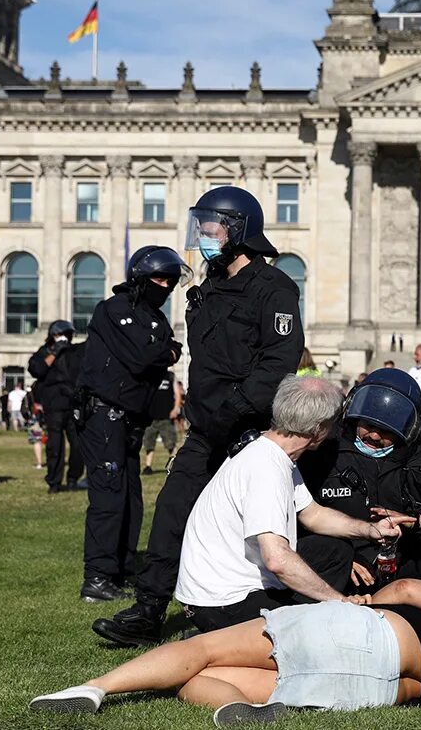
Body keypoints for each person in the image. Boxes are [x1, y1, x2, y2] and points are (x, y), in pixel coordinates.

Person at [96, 186, 303, 647]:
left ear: (238, 230)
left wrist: (237, 411)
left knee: (262, 528)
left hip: (253, 430)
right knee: (173, 511)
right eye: (202, 227)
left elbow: (277, 362)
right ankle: (149, 610)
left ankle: (286, 609)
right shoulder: (206, 285)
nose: (204, 236)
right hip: (207, 429)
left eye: (212, 228)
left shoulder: (275, 288)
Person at [30, 578, 421, 722]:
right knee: (192, 681)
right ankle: (239, 708)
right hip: (373, 690)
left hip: (364, 631)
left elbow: (403, 587)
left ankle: (95, 688)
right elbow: (406, 688)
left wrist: (365, 599)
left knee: (204, 648)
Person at [174, 375, 402, 631]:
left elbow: (313, 515)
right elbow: (277, 559)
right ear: (318, 430)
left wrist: (371, 530)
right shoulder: (265, 467)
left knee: (334, 551)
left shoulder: (276, 453)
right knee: (319, 631)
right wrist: (340, 602)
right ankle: (214, 635)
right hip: (221, 602)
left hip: (230, 583)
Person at [299, 368, 421, 629]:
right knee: (329, 552)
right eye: (367, 425)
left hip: (404, 556)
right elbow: (299, 513)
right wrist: (344, 558)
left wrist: (420, 521)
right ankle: (315, 631)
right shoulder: (325, 448)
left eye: (385, 430)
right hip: (349, 567)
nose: (374, 435)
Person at [74, 246, 187, 603]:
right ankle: (97, 577)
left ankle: (120, 568)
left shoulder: (152, 316)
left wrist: (165, 350)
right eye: (159, 278)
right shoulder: (114, 309)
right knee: (108, 496)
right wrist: (164, 351)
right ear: (140, 276)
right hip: (104, 415)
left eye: (170, 280)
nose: (166, 285)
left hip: (129, 419)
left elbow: (170, 349)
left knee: (130, 499)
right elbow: (146, 356)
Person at [29, 319, 87, 494]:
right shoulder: (44, 352)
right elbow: (37, 370)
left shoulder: (76, 352)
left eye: (67, 336)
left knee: (78, 445)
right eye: (61, 335)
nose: (65, 339)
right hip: (53, 405)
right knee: (55, 446)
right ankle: (54, 481)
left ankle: (72, 478)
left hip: (73, 403)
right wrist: (54, 351)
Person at [142, 371, 183, 475]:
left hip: (166, 416)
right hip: (151, 417)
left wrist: (176, 408)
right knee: (149, 443)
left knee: (170, 442)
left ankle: (176, 465)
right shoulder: (149, 375)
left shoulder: (170, 376)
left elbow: (177, 394)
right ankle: (148, 466)